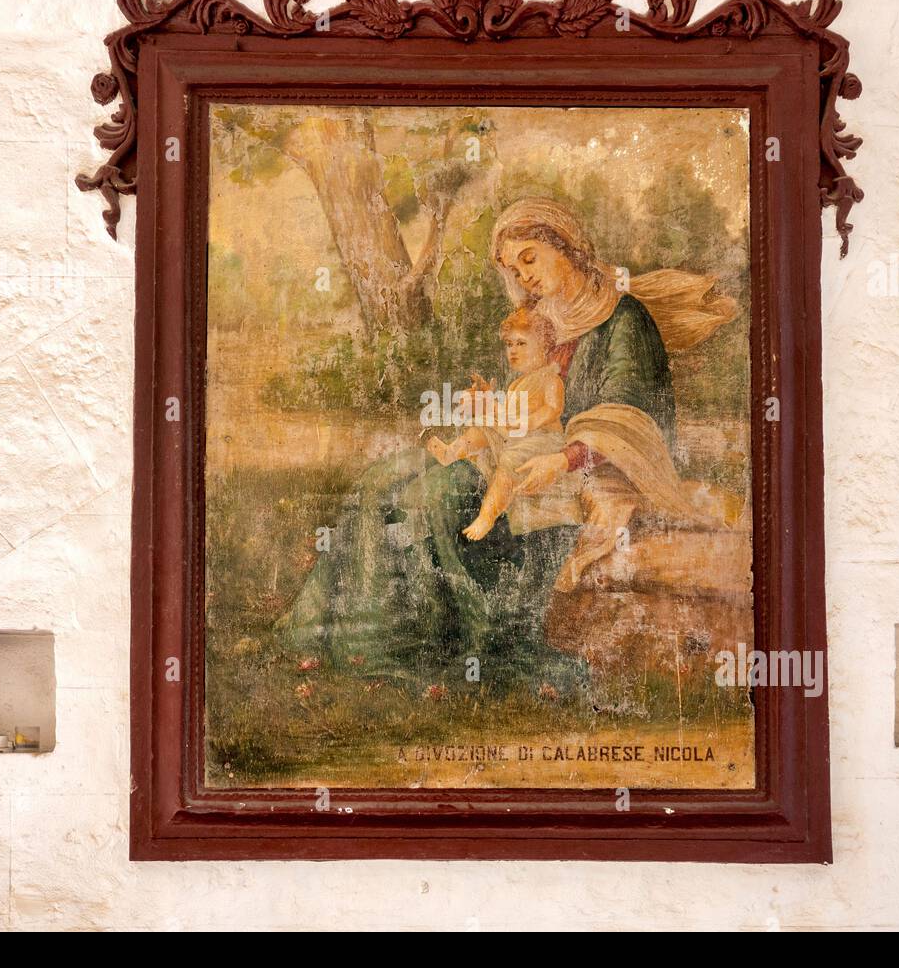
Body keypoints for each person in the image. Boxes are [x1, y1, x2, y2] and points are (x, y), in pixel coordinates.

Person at [276, 196, 737, 696]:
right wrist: (488, 406)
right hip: (519, 450)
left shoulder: (624, 319)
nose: (523, 275)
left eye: (529, 257)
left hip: (586, 469)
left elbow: (631, 413)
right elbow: (526, 399)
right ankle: (332, 633)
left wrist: (563, 458)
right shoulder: (541, 317)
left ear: (567, 246)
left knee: (444, 493)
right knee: (381, 478)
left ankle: (433, 643)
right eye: (513, 267)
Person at [425, 304, 582, 542]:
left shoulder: (551, 379)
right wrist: (489, 397)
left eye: (521, 343)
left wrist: (523, 423)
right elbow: (506, 412)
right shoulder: (517, 384)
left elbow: (552, 410)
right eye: (509, 344)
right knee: (482, 427)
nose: (513, 351)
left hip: (541, 441)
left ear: (544, 346)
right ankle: (452, 452)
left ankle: (487, 516)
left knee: (508, 463)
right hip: (515, 434)